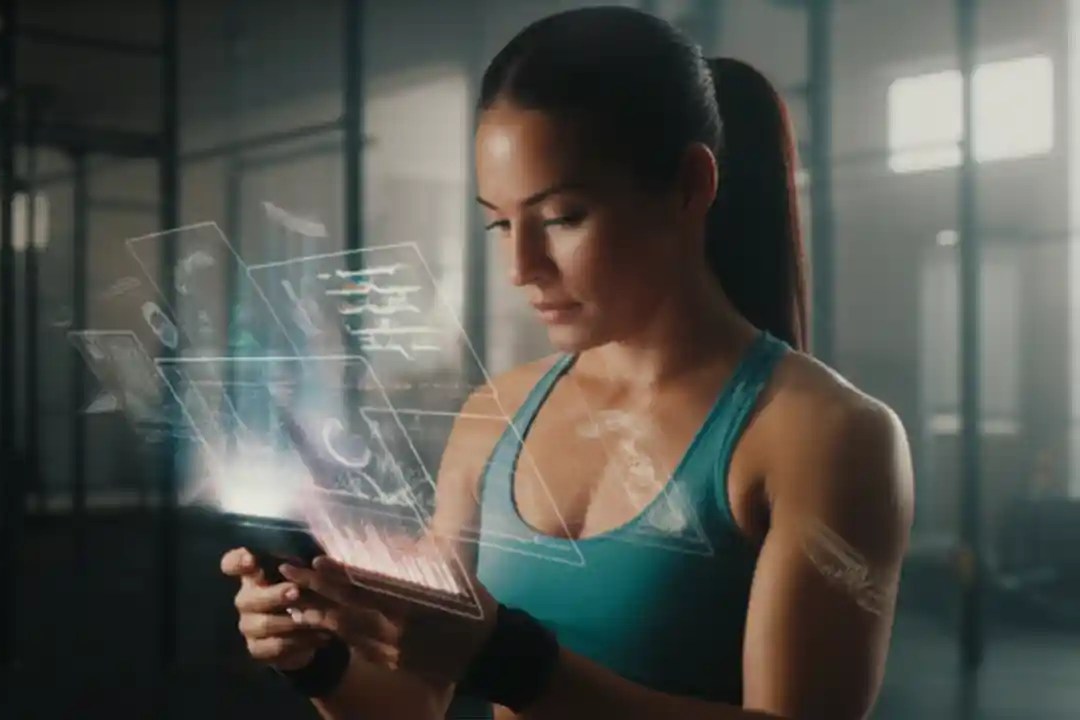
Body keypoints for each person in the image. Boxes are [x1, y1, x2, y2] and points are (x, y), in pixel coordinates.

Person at [222, 6, 914, 719]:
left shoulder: (823, 435)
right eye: (500, 223)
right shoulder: (494, 418)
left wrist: (510, 663)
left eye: (561, 217)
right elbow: (414, 701)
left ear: (688, 186)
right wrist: (320, 657)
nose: (520, 267)